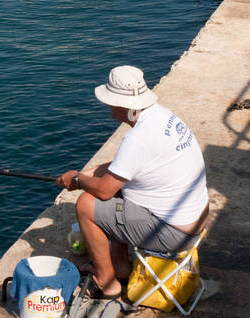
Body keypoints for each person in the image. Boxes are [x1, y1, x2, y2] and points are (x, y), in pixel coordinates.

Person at [56, 65, 209, 300]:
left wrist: (78, 180)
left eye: (111, 101)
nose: (108, 106)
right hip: (195, 220)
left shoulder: (137, 139)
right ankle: (121, 269)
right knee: (118, 198)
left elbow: (105, 191)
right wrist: (89, 173)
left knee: (86, 205)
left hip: (173, 233)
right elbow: (125, 166)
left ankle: (107, 284)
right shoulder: (162, 117)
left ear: (126, 106)